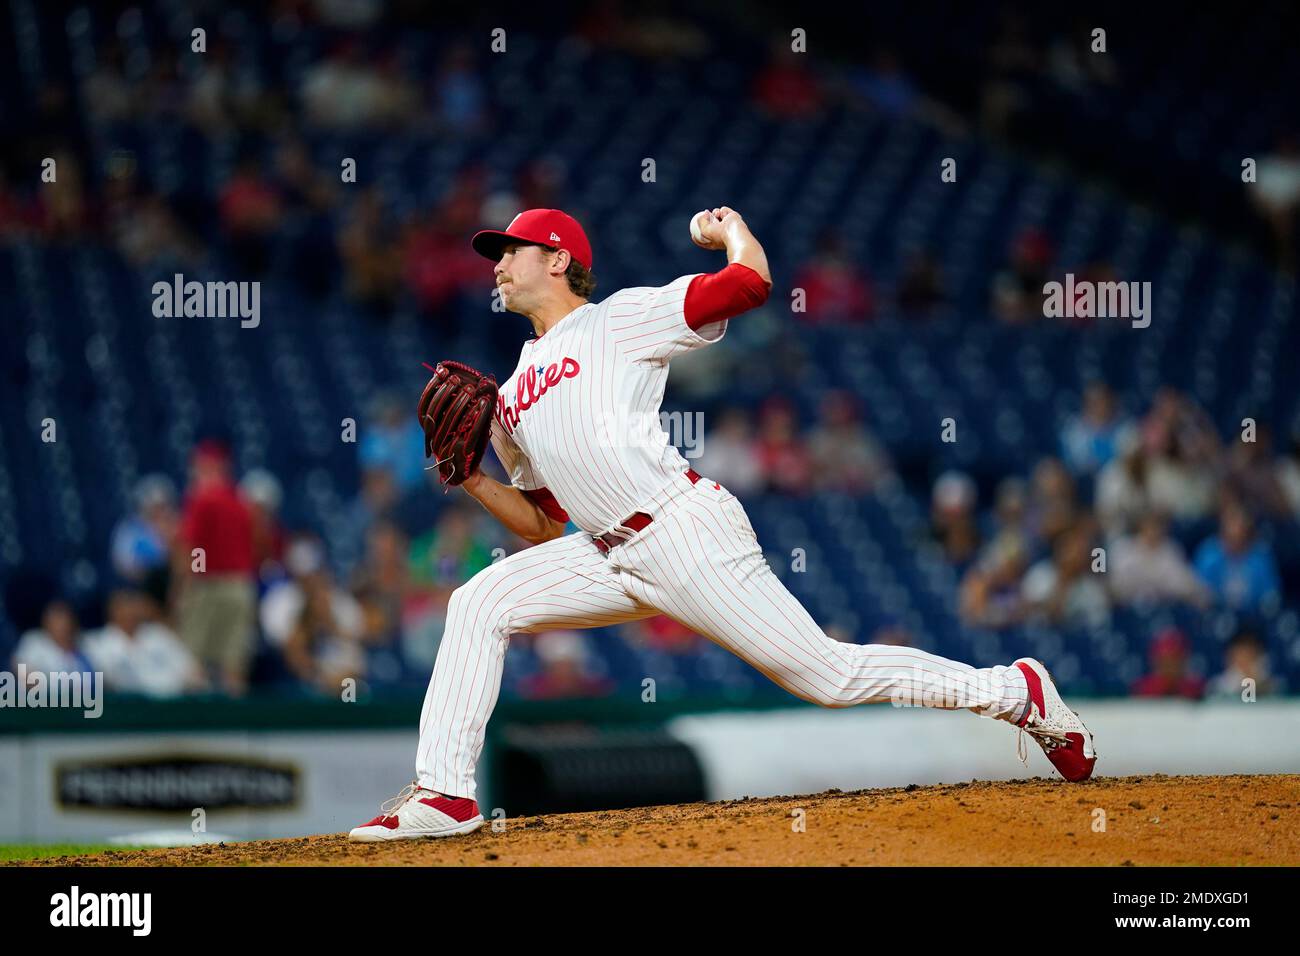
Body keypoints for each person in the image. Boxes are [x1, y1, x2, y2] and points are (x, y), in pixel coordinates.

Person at [349, 207, 1096, 843]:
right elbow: (545, 526)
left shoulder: (619, 320)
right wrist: (472, 479)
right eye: (496, 254)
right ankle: (444, 794)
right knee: (479, 601)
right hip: (605, 551)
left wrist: (732, 228)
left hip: (682, 531)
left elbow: (749, 284)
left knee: (828, 677)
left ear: (557, 258)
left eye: (509, 250)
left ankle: (1015, 691)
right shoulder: (508, 396)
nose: (498, 264)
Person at [174, 441, 257, 695]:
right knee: (234, 665)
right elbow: (254, 545)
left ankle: (194, 727)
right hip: (241, 586)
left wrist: (187, 582)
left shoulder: (202, 498)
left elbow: (192, 546)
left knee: (194, 661)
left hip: (209, 585)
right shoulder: (241, 501)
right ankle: (238, 726)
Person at [84, 590, 203, 698]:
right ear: (113, 611)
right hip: (127, 708)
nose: (130, 611)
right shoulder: (98, 643)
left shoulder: (158, 634)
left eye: (133, 605)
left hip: (172, 703)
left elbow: (192, 669)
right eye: (124, 606)